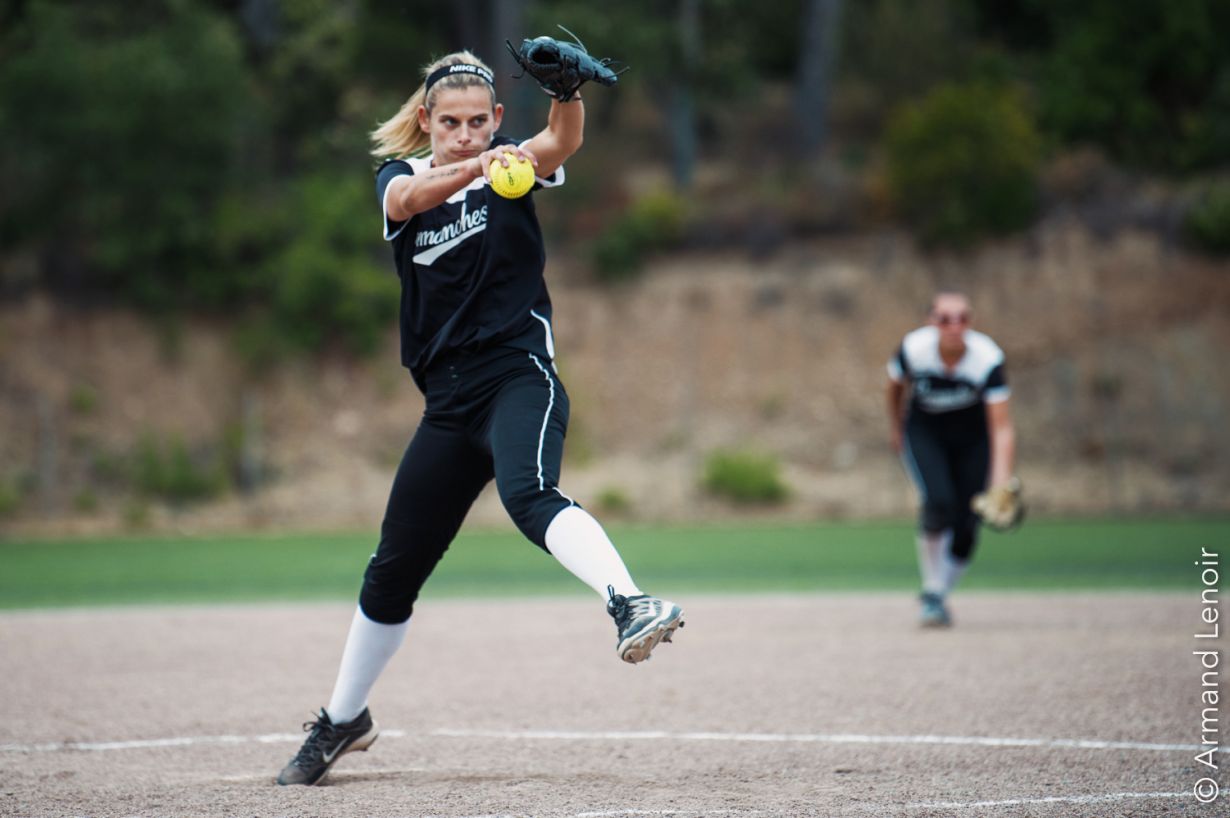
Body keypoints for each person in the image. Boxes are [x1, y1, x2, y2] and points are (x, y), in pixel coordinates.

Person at [275, 51, 684, 787]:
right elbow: (406, 203)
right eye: (450, 123)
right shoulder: (404, 179)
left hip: (517, 376)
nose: (466, 135)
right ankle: (343, 720)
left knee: (529, 494)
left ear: (497, 118)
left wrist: (565, 94)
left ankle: (629, 603)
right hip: (446, 405)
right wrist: (478, 167)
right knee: (393, 566)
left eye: (478, 123)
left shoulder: (512, 163)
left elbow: (562, 143)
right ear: (427, 123)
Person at [886, 291, 1016, 627]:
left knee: (967, 527)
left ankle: (939, 594)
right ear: (932, 322)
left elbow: (1001, 427)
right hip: (925, 433)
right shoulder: (914, 349)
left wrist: (1001, 480)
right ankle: (932, 592)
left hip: (973, 440)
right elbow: (895, 387)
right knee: (939, 502)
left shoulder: (986, 358)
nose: (954, 326)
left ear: (970, 322)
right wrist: (896, 426)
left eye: (962, 318)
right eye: (945, 318)